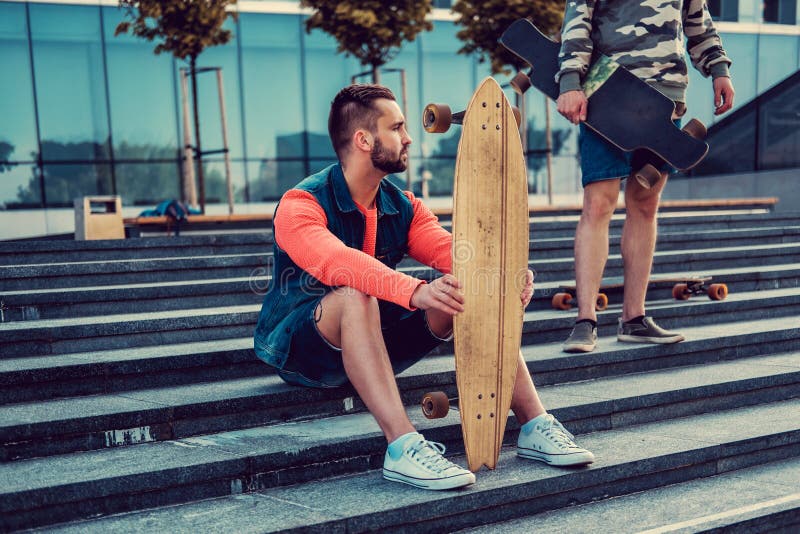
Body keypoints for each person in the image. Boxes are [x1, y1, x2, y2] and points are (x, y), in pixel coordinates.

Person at [253, 84, 594, 491]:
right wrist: (415, 291)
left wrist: (504, 276)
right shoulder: (301, 204)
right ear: (364, 140)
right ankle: (402, 447)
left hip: (374, 341)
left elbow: (457, 252)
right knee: (353, 294)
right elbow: (338, 262)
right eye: (397, 127)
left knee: (466, 284)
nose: (409, 137)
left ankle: (534, 423)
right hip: (304, 351)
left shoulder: (403, 206)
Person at [556, 1, 735, 353]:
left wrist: (719, 70)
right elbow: (577, 19)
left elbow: (697, 23)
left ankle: (633, 319)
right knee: (598, 203)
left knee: (645, 203)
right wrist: (570, 80)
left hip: (666, 100)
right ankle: (585, 320)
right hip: (606, 93)